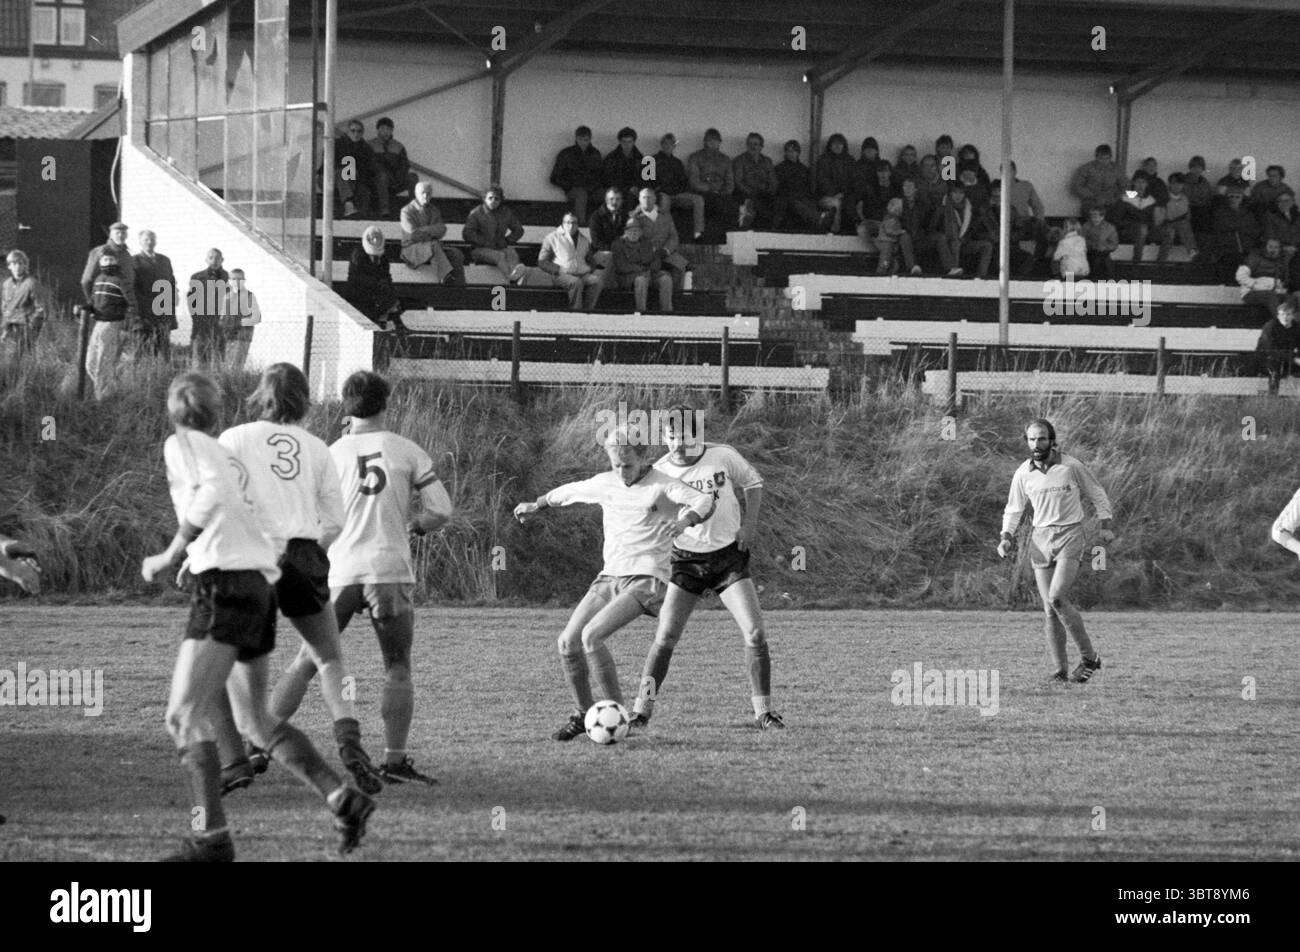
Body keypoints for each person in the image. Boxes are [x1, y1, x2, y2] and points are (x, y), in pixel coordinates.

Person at [141, 372, 375, 861]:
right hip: (260, 578)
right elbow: (270, 511)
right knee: (256, 719)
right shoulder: (249, 450)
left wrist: (174, 552)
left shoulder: (196, 445)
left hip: (228, 583)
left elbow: (213, 498)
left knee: (183, 716)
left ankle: (211, 840)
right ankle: (341, 795)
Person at [216, 363, 383, 796]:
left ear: (261, 394)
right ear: (304, 399)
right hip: (304, 554)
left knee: (228, 658)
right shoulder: (316, 447)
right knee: (328, 657)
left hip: (252, 556)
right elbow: (334, 519)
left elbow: (216, 503)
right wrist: (309, 554)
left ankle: (239, 756)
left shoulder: (234, 438)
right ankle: (348, 742)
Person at [512, 425, 714, 742]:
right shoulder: (606, 483)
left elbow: (703, 501)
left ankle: (619, 718)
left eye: (628, 464)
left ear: (643, 458)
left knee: (592, 636)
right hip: (609, 576)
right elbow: (570, 491)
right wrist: (537, 505)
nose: (621, 471)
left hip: (647, 578)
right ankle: (583, 714)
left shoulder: (662, 485)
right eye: (616, 464)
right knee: (568, 643)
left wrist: (684, 521)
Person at [307, 371, 453, 784]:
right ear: (386, 404)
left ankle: (259, 748)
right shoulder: (405, 450)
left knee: (309, 661)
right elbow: (441, 510)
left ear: (345, 405)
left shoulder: (330, 452)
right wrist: (418, 525)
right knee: (397, 665)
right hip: (388, 569)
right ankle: (393, 761)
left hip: (339, 570)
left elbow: (312, 515)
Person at [629, 408, 783, 731]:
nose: (678, 445)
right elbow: (649, 519)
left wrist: (750, 525)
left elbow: (753, 482)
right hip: (686, 562)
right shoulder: (659, 471)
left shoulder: (722, 456)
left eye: (684, 437)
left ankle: (764, 713)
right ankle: (641, 710)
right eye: (671, 438)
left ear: (698, 434)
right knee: (666, 636)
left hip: (729, 558)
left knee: (755, 633)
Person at [997, 419, 1115, 684]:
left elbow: (1096, 492)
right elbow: (1014, 508)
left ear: (1052, 440)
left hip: (1070, 534)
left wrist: (1105, 523)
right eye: (1031, 439)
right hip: (1040, 539)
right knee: (1049, 610)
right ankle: (1059, 670)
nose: (1036, 444)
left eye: (1041, 439)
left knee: (1058, 598)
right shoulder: (1023, 473)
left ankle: (1089, 658)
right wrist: (1006, 537)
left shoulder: (1071, 466)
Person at [81, 222, 137, 396]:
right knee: (94, 360)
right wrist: (93, 304)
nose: (120, 234)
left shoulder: (127, 255)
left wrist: (130, 315)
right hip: (102, 315)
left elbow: (130, 290)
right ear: (111, 233)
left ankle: (106, 395)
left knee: (109, 358)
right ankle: (107, 391)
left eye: (123, 232)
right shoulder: (100, 252)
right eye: (117, 231)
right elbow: (87, 280)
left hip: (119, 317)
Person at [399, 182, 466, 285]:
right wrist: (432, 231)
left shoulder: (434, 210)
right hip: (412, 249)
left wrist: (424, 230)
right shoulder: (406, 211)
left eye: (428, 193)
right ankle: (445, 278)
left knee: (456, 253)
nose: (426, 196)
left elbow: (442, 230)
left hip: (433, 247)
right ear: (416, 193)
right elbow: (413, 235)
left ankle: (460, 285)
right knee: (434, 245)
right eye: (423, 193)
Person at [538, 211, 604, 311]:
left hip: (582, 274)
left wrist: (590, 268)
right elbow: (542, 262)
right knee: (576, 282)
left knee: (597, 281)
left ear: (578, 225)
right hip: (560, 275)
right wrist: (558, 270)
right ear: (562, 223)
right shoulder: (552, 238)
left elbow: (591, 260)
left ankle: (588, 310)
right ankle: (576, 311)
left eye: (574, 223)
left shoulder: (584, 240)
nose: (571, 225)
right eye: (568, 222)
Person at [463, 185, 528, 284]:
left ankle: (516, 276)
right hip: (479, 250)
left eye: (496, 198)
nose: (493, 201)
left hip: (499, 247)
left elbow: (518, 230)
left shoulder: (506, 213)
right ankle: (510, 277)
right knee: (499, 255)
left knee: (511, 252)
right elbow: (467, 234)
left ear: (501, 200)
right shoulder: (476, 213)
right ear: (484, 199)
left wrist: (507, 241)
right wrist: (484, 242)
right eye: (490, 198)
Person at [629, 186, 689, 288]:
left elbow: (673, 237)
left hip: (664, 253)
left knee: (678, 267)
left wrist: (665, 250)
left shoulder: (666, 217)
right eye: (644, 198)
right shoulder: (635, 218)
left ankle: (674, 299)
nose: (647, 200)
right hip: (643, 254)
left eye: (650, 198)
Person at [928, 182, 992, 279]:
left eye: (961, 193)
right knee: (954, 243)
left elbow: (972, 229)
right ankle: (953, 270)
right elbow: (932, 227)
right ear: (950, 194)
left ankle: (981, 276)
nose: (958, 196)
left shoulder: (970, 208)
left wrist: (965, 238)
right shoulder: (941, 207)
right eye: (955, 193)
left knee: (987, 245)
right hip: (946, 242)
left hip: (964, 242)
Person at [133, 230, 178, 360]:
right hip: (144, 314)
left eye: (152, 239)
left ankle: (162, 376)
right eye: (146, 239)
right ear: (140, 242)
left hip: (163, 313)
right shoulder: (134, 261)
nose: (149, 242)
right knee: (141, 350)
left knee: (164, 350)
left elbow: (171, 282)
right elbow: (133, 287)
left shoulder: (164, 260)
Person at [650, 133, 704, 241]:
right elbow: (647, 182)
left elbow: (684, 182)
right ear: (661, 145)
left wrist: (682, 191)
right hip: (661, 194)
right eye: (665, 143)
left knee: (698, 199)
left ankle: (698, 232)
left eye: (671, 144)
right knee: (664, 201)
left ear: (674, 146)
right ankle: (664, 235)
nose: (668, 146)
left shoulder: (677, 162)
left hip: (677, 194)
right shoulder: (650, 161)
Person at [612, 217, 672, 313]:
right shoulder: (618, 245)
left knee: (666, 279)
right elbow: (621, 266)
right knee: (641, 280)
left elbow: (655, 260)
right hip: (629, 277)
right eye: (630, 231)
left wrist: (652, 268)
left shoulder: (647, 243)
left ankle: (666, 312)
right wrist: (641, 270)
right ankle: (641, 311)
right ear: (625, 232)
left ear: (641, 232)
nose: (634, 233)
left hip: (649, 273)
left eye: (636, 231)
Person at [348, 225, 404, 328]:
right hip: (359, 290)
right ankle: (392, 323)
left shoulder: (383, 257)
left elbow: (387, 276)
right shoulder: (358, 254)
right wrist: (377, 282)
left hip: (377, 289)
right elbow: (356, 277)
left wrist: (392, 291)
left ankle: (390, 323)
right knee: (383, 297)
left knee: (391, 296)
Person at [687, 128, 739, 235]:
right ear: (704, 141)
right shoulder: (695, 157)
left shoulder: (726, 159)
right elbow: (694, 181)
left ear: (720, 142)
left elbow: (730, 182)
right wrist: (711, 189)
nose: (713, 143)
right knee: (718, 205)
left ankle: (731, 238)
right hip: (702, 193)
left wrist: (724, 192)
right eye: (710, 140)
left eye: (715, 140)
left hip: (722, 193)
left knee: (733, 206)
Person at [550, 125, 605, 225]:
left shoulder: (595, 154)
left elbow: (600, 175)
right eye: (580, 139)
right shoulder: (566, 154)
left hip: (592, 189)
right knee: (581, 194)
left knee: (609, 195)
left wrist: (593, 186)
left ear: (590, 139)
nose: (583, 142)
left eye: (586, 139)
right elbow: (555, 177)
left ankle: (606, 224)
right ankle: (580, 225)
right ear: (576, 138)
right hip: (573, 189)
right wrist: (570, 185)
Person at [368, 117, 419, 218]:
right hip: (376, 182)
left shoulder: (398, 146)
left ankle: (414, 209)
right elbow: (369, 165)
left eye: (389, 129)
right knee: (382, 176)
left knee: (413, 177)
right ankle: (384, 209)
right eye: (383, 128)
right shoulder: (370, 145)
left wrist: (398, 177)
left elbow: (405, 165)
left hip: (395, 181)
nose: (386, 132)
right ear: (377, 130)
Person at [187, 249, 228, 369]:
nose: (214, 261)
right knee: (198, 361)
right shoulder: (197, 277)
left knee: (218, 362)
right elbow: (191, 301)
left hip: (219, 326)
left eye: (217, 258)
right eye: (211, 257)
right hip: (201, 326)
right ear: (206, 260)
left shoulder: (227, 278)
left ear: (222, 260)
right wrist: (198, 318)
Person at [1, 250, 45, 361]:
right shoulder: (6, 284)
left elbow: (41, 309)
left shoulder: (31, 283)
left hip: (26, 326)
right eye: (15, 263)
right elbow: (5, 307)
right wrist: (5, 330)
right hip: (10, 327)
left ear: (25, 265)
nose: (18, 267)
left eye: (21, 263)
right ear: (9, 266)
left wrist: (31, 329)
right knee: (6, 361)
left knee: (19, 360)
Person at [773, 140, 821, 231]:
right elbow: (778, 187)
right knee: (796, 204)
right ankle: (818, 219)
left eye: (793, 151)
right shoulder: (779, 168)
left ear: (798, 152)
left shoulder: (804, 169)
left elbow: (808, 186)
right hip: (788, 198)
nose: (790, 153)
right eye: (788, 151)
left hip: (803, 197)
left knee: (810, 203)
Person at [732, 132, 778, 229]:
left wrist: (769, 191)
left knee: (779, 202)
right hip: (746, 193)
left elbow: (773, 181)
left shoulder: (767, 161)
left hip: (765, 193)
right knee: (754, 204)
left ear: (761, 146)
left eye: (756, 144)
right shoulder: (739, 160)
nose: (752, 147)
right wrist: (751, 192)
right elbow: (738, 181)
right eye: (750, 144)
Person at [1255, 293, 1300, 388]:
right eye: (1282, 314)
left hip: (1288, 359)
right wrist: (1294, 358)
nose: (1285, 317)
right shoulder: (1270, 327)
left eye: (1288, 314)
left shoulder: (1297, 327)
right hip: (1266, 359)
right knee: (1275, 367)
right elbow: (1269, 350)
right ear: (1278, 316)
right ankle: (1272, 399)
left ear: (1293, 316)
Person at [1236, 237, 1286, 321]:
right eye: (1270, 247)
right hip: (1251, 292)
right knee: (1271, 296)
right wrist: (1254, 285)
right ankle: (1282, 324)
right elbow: (1240, 275)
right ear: (1265, 247)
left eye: (1276, 247)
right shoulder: (1255, 258)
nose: (1273, 250)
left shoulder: (1280, 262)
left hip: (1272, 292)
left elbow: (1281, 281)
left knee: (1290, 298)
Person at [220, 269, 261, 372]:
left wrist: (238, 323)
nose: (237, 281)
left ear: (244, 280)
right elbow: (223, 316)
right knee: (225, 368)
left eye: (239, 279)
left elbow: (257, 317)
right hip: (227, 336)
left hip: (242, 337)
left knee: (235, 368)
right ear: (229, 280)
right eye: (233, 279)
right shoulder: (227, 297)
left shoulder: (249, 296)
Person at [335, 119, 376, 219]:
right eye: (353, 130)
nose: (356, 133)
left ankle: (358, 216)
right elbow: (329, 164)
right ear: (348, 132)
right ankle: (348, 204)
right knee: (343, 172)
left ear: (362, 133)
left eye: (359, 131)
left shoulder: (366, 148)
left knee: (364, 189)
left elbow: (369, 168)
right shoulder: (337, 144)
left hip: (354, 179)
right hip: (331, 178)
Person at [814, 134, 854, 234]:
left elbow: (854, 181)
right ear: (830, 146)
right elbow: (822, 180)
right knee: (836, 204)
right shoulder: (823, 160)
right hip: (825, 197)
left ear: (844, 146)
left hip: (846, 195)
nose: (837, 146)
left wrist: (844, 193)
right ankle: (835, 232)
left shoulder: (850, 161)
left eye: (840, 144)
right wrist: (834, 194)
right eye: (834, 144)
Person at [1069, 144, 1123, 219]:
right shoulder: (1086, 168)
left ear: (1110, 157)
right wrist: (1093, 196)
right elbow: (1076, 186)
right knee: (1092, 219)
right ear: (1096, 157)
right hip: (1091, 203)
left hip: (1111, 203)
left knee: (1120, 212)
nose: (1104, 162)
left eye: (1107, 159)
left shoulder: (1116, 169)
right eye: (1101, 158)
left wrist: (1115, 197)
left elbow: (1125, 185)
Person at [1211, 188, 1262, 266]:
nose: (1234, 199)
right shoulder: (1220, 213)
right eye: (1231, 196)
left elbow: (1255, 231)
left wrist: (1242, 230)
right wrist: (1239, 227)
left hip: (1247, 248)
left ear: (1242, 199)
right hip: (1227, 250)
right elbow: (1219, 231)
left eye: (1237, 197)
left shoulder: (1248, 213)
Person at [602, 126, 644, 211]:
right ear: (620, 142)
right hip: (616, 189)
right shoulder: (611, 158)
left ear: (634, 142)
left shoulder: (641, 158)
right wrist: (627, 189)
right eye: (624, 141)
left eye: (629, 142)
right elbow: (607, 179)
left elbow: (644, 179)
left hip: (635, 190)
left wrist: (638, 188)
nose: (627, 145)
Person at [1158, 173, 1197, 262]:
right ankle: (1161, 262)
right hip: (1164, 224)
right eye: (1174, 183)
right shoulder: (1163, 196)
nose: (1177, 186)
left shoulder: (1185, 198)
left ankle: (1193, 254)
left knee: (1184, 225)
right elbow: (1160, 215)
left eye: (1179, 184)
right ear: (1170, 184)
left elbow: (1188, 216)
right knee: (1170, 233)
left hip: (1181, 225)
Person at [587, 187, 626, 270]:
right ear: (606, 199)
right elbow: (596, 242)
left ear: (622, 201)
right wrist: (616, 249)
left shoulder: (625, 216)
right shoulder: (596, 217)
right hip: (602, 253)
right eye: (611, 199)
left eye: (618, 199)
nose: (614, 202)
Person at [1082, 205, 1119, 279]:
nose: (1093, 218)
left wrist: (1104, 247)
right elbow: (1081, 240)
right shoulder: (1086, 226)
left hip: (1103, 252)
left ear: (1102, 217)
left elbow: (1114, 244)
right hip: (1089, 251)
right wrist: (1091, 245)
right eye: (1091, 216)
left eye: (1095, 216)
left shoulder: (1109, 228)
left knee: (1102, 260)